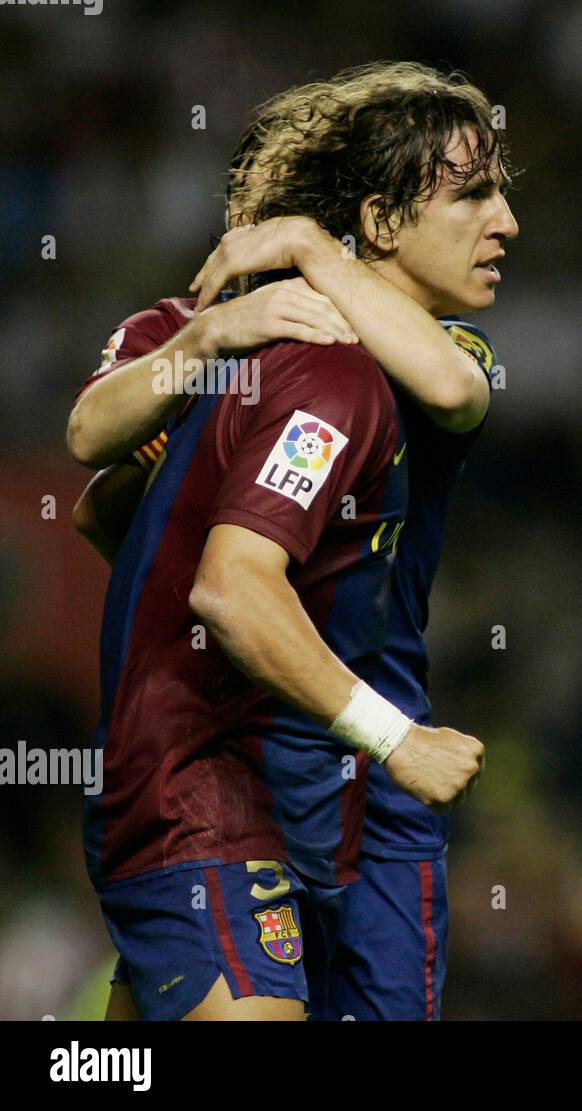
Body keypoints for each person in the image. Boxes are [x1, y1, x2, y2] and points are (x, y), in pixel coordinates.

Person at [67, 62, 506, 1020]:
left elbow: (454, 388)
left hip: (363, 779)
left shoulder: (437, 353)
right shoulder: (227, 338)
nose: (506, 221)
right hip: (238, 759)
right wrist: (209, 339)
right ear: (384, 220)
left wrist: (311, 245)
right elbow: (96, 466)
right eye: (472, 194)